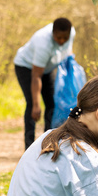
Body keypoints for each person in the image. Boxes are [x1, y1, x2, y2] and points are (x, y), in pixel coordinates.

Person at [14, 18, 75, 149]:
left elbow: (67, 51)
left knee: (52, 104)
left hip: (47, 68)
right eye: (58, 38)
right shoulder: (43, 43)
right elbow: (36, 76)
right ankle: (29, 148)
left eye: (65, 38)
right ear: (53, 33)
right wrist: (37, 105)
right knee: (32, 106)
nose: (62, 41)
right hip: (26, 67)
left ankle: (48, 145)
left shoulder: (72, 33)